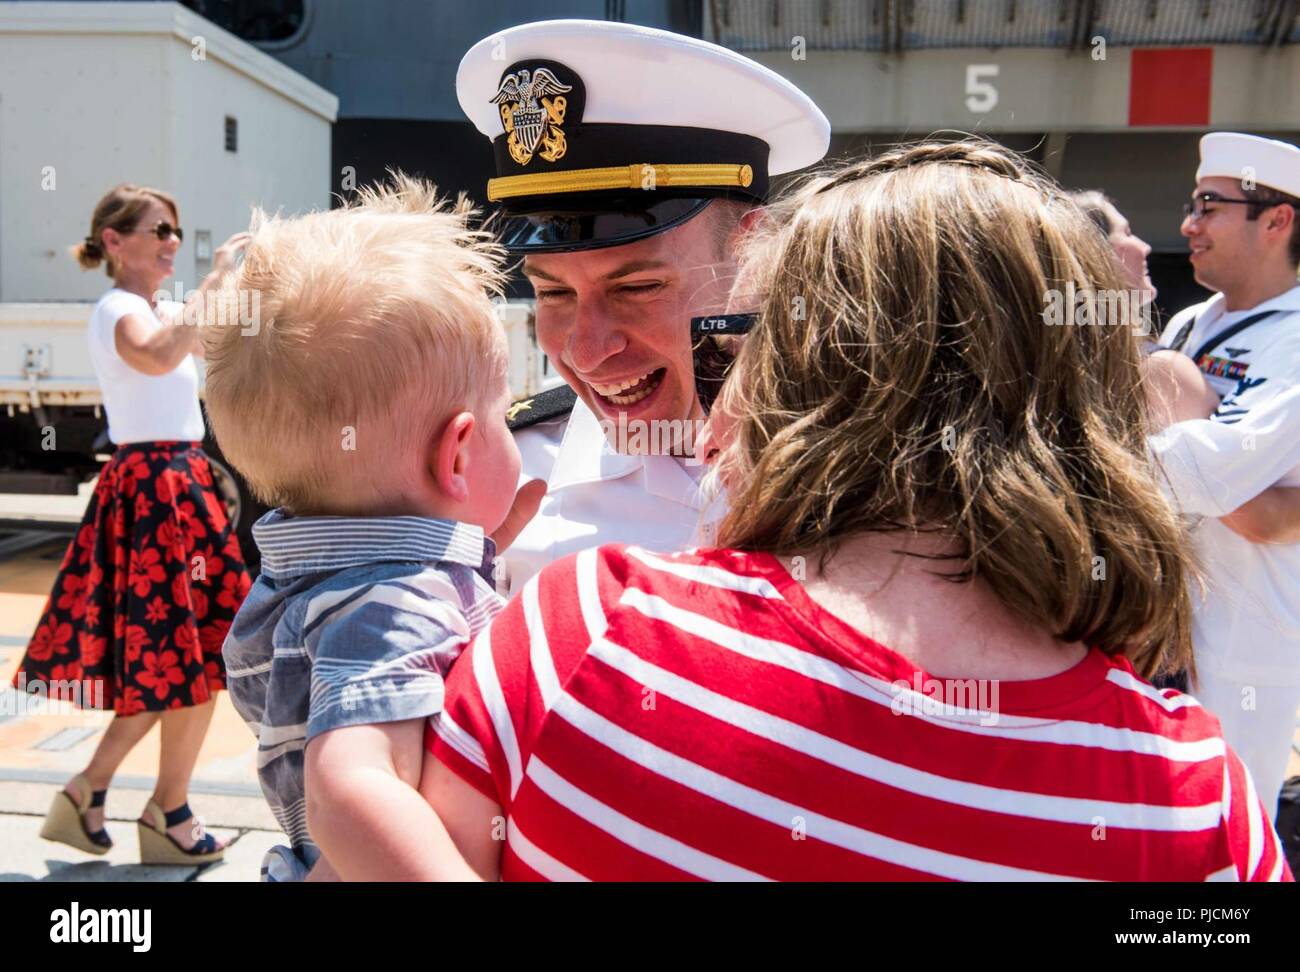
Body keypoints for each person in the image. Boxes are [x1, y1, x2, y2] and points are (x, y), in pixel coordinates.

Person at [414, 141, 1290, 881]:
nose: (586, 346)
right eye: (552, 294)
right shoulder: (1197, 801)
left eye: (741, 336)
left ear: (796, 354)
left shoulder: (575, 633)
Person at [204, 176, 519, 881]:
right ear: (459, 452)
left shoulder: (316, 578)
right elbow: (348, 791)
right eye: (507, 408)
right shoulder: (395, 601)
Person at [455, 19, 829, 594]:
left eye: (636, 288)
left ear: (752, 251)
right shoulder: (497, 495)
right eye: (553, 292)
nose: (585, 349)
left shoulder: (859, 468)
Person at [16, 184, 253, 865]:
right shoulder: (118, 310)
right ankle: (158, 811)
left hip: (182, 485)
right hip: (153, 489)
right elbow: (155, 356)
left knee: (198, 658)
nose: (172, 240)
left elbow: (231, 349)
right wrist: (212, 282)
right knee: (180, 660)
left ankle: (110, 796)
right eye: (159, 229)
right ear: (115, 242)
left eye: (177, 230)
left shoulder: (166, 310)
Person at [1148, 132, 1300, 814]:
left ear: (1277, 219)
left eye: (1210, 205)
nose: (1188, 225)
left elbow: (1214, 482)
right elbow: (1248, 502)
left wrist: (1160, 406)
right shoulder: (1187, 323)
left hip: (1244, 640)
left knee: (1232, 828)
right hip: (1158, 625)